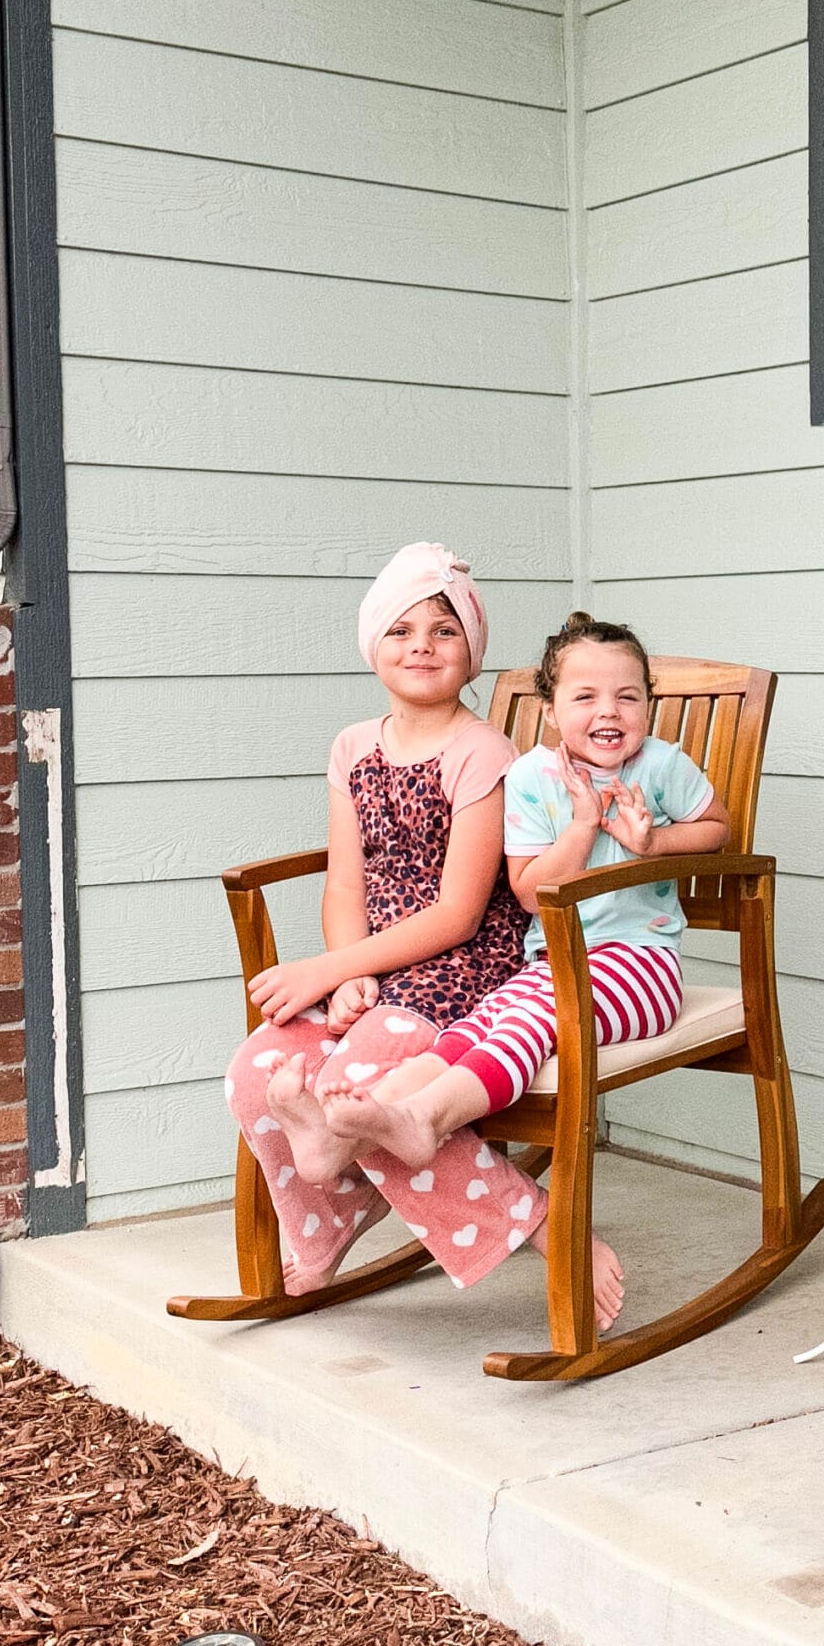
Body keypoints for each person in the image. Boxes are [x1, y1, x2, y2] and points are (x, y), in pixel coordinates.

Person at [271, 611, 728, 1333]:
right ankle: (358, 1130)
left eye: (628, 697)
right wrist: (582, 827)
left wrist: (658, 840)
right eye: (585, 697)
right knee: (484, 1025)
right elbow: (528, 890)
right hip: (553, 966)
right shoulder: (537, 779)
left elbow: (718, 829)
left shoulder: (663, 766)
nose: (608, 711)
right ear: (552, 712)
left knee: (528, 1013)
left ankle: (418, 1119)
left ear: (649, 705)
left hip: (641, 967)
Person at [222, 543, 538, 1294]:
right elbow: (345, 885)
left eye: (444, 629)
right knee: (257, 1071)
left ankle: (538, 1223)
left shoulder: (484, 752)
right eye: (400, 630)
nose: (422, 645)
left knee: (350, 1088)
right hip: (371, 967)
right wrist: (350, 972)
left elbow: (461, 915)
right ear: (373, 647)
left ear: (471, 651)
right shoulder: (352, 748)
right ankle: (324, 1221)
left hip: (463, 975)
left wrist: (336, 971)